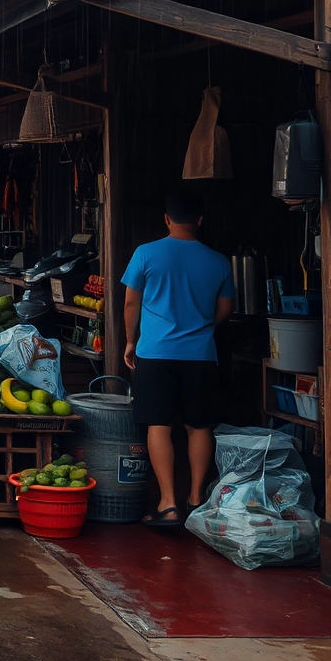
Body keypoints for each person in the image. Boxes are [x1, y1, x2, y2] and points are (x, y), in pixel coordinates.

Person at [120, 189, 234, 528]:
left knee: (159, 424)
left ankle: (168, 504)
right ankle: (196, 498)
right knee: (199, 425)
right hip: (200, 355)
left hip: (154, 353)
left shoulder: (145, 254)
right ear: (200, 221)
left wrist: (129, 341)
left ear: (166, 219)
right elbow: (226, 307)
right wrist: (203, 328)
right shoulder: (218, 261)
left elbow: (130, 304)